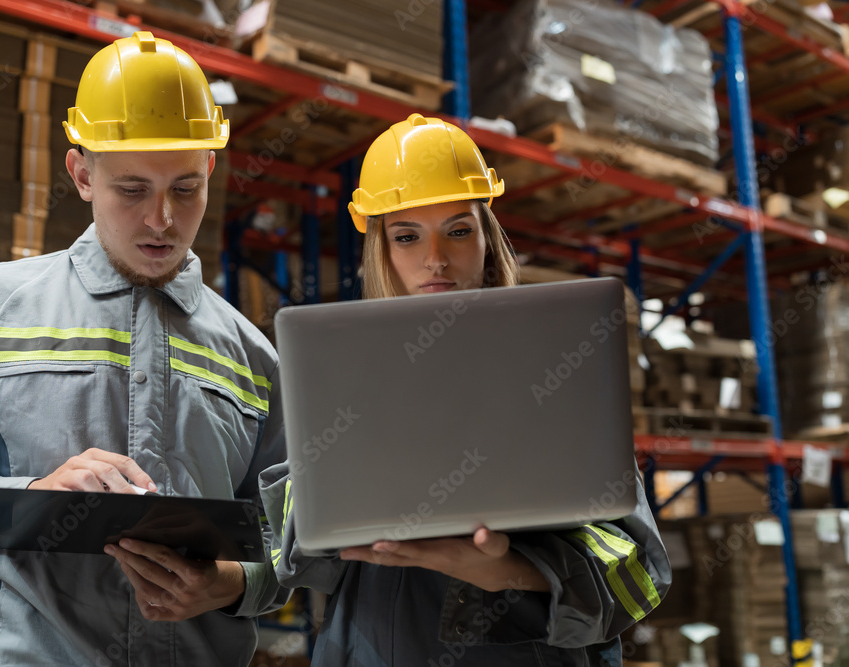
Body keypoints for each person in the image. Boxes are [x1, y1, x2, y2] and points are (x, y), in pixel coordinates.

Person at [0, 32, 289, 666]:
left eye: (185, 189)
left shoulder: (254, 356)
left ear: (211, 171)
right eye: (132, 189)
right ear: (82, 174)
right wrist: (28, 497)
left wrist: (234, 583)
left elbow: (297, 542)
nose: (161, 219)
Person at [260, 113, 671, 666]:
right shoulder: (341, 378)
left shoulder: (559, 366)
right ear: (380, 249)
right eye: (407, 236)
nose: (435, 258)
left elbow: (639, 577)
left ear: (487, 238)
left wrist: (505, 571)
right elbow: (291, 554)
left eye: (458, 230)